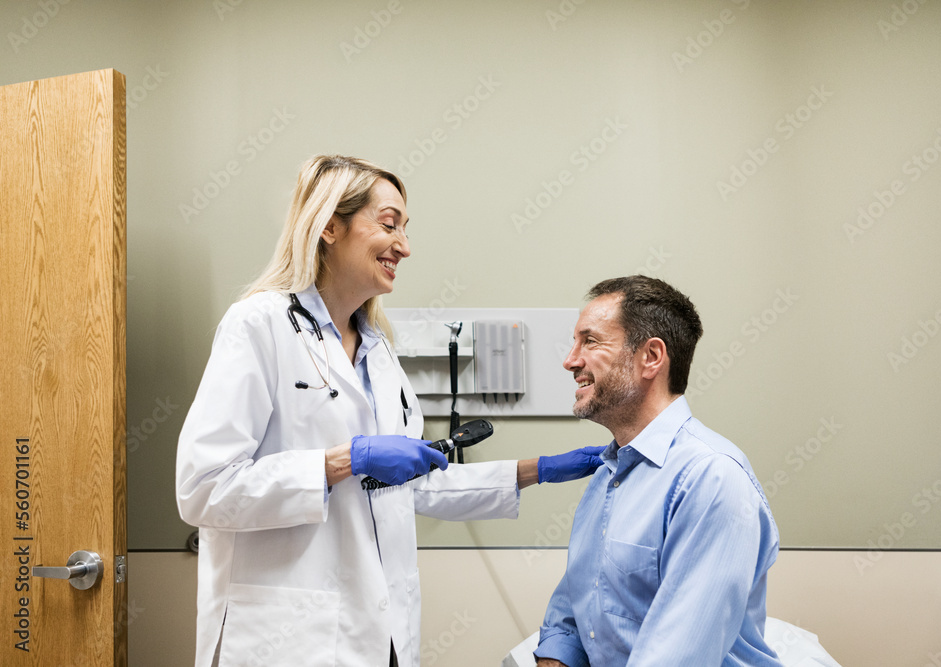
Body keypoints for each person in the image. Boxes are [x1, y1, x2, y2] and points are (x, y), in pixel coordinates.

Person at [175, 154, 602, 667]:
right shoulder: (258, 325)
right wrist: (343, 461)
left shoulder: (379, 350)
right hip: (285, 637)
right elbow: (203, 489)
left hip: (382, 637)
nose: (404, 245)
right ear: (330, 226)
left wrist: (540, 471)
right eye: (389, 223)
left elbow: (412, 485)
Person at [534, 276, 782, 667]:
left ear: (651, 357)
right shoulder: (608, 473)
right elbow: (571, 617)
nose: (571, 360)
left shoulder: (711, 479)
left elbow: (676, 657)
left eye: (591, 341)